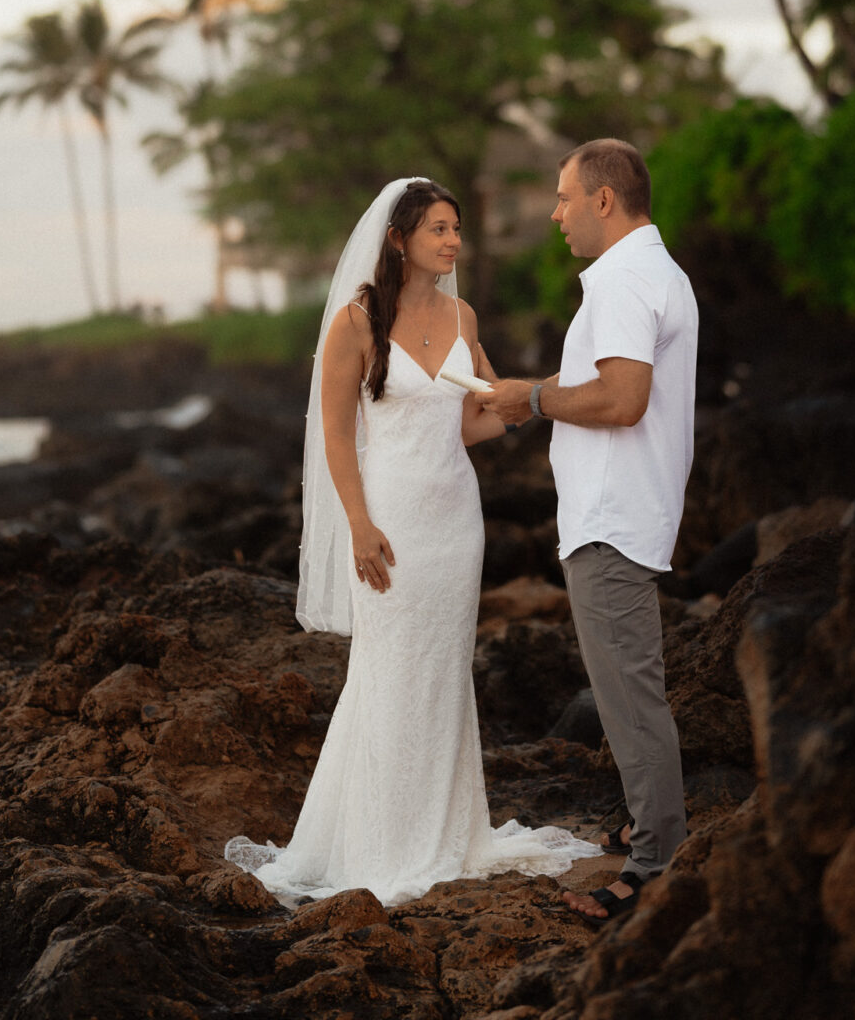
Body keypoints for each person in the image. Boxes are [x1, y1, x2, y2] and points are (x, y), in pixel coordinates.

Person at [225, 177, 597, 906]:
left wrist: (531, 404)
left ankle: (448, 836)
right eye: (437, 228)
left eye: (456, 228)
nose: (452, 240)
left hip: (456, 520)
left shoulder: (463, 314)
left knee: (443, 671)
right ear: (398, 239)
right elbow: (335, 435)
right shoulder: (356, 322)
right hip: (390, 520)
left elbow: (474, 420)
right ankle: (377, 844)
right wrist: (359, 524)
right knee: (388, 670)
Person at [480, 139, 698, 924]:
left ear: (604, 200)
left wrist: (529, 398)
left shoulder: (622, 279)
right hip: (627, 509)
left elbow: (621, 399)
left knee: (629, 696)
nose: (555, 212)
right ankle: (649, 824)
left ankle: (653, 862)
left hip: (612, 518)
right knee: (628, 686)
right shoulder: (653, 271)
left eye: (565, 197)